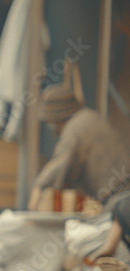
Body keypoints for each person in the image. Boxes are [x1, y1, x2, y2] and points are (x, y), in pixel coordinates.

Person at [28, 83, 130, 211]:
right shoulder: (88, 117)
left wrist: (39, 187)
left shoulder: (76, 127)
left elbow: (59, 163)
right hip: (121, 194)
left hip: (122, 197)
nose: (52, 129)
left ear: (57, 117)